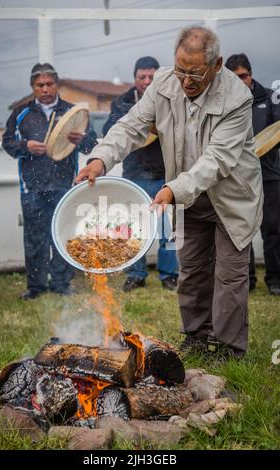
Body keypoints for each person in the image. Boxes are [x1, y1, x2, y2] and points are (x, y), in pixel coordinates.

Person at [76, 26, 264, 360]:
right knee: (190, 268)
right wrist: (99, 159)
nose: (185, 81)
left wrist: (171, 189)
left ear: (217, 64)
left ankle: (228, 348)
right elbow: (132, 126)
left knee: (229, 275)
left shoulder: (237, 98)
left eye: (195, 73)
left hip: (231, 196)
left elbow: (217, 161)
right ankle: (196, 335)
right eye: (180, 70)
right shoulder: (164, 84)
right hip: (186, 196)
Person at [3, 63, 97, 300]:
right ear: (33, 87)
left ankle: (62, 284)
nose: (45, 89)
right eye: (39, 85)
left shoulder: (73, 112)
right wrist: (26, 146)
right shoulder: (20, 113)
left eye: (49, 84)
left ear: (57, 84)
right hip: (32, 185)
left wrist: (81, 139)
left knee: (64, 235)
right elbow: (7, 142)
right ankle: (36, 287)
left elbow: (92, 144)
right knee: (35, 237)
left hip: (65, 185)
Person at [103, 56, 179, 292]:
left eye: (152, 77)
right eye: (142, 77)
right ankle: (136, 274)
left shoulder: (171, 99)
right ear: (134, 78)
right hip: (134, 176)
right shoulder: (122, 101)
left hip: (165, 175)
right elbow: (108, 131)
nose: (147, 81)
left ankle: (170, 275)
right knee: (133, 228)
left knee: (170, 229)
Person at [225, 54, 280, 296]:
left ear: (251, 73)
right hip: (239, 178)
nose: (241, 82)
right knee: (242, 231)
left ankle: (275, 279)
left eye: (244, 76)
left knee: (273, 229)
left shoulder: (270, 98)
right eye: (235, 78)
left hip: (269, 175)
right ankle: (246, 279)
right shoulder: (224, 102)